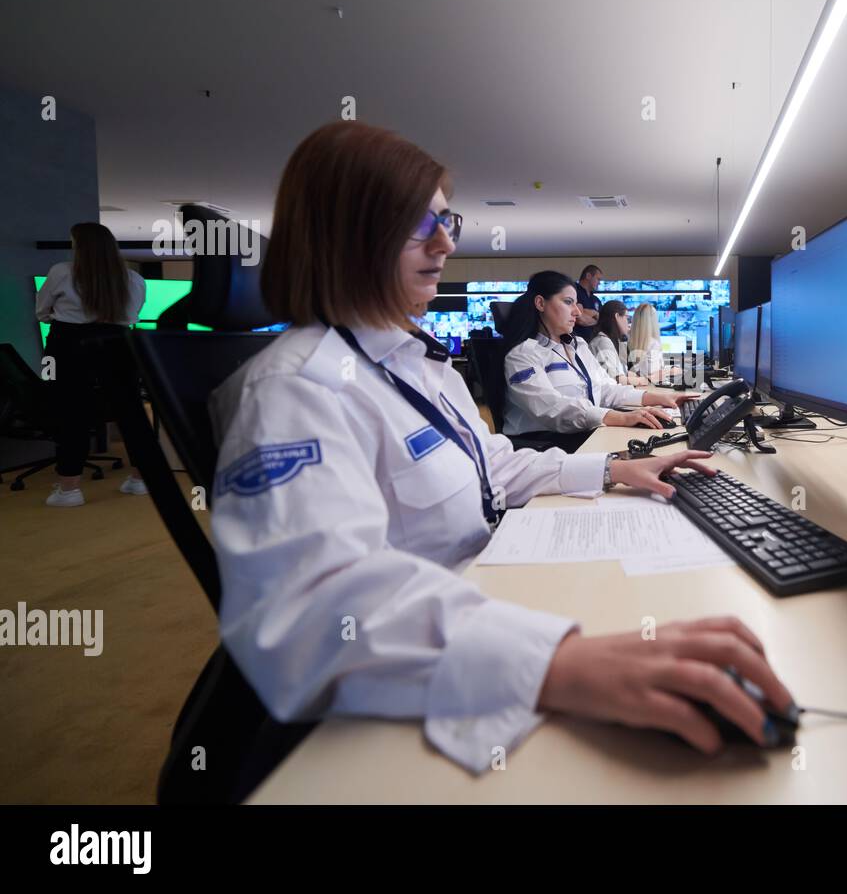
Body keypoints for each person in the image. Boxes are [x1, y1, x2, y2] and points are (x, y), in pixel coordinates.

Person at [209, 121, 794, 773]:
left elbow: (493, 468)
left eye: (444, 221)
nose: (443, 243)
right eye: (415, 224)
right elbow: (312, 616)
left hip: (488, 590)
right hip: (413, 676)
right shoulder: (292, 391)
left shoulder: (416, 367)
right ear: (345, 236)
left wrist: (617, 467)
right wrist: (557, 662)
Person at [501, 272, 691, 452]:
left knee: (662, 442)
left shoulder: (578, 346)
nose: (576, 311)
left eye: (576, 304)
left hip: (585, 432)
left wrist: (655, 399)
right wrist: (619, 417)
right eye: (568, 302)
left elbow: (606, 389)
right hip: (546, 445)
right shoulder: (523, 355)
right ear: (540, 303)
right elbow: (553, 408)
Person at [34, 223, 148, 507]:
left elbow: (41, 312)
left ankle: (69, 489)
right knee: (130, 412)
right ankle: (140, 480)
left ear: (80, 246)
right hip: (120, 344)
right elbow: (133, 314)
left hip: (69, 345)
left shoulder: (62, 271)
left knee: (70, 412)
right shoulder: (133, 278)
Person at [589, 300, 648, 387]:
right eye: (627, 318)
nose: (629, 324)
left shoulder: (615, 341)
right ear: (617, 316)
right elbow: (618, 380)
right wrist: (645, 380)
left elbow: (623, 373)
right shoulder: (603, 342)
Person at [628, 302, 677, 385]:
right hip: (653, 387)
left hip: (637, 387)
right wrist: (672, 370)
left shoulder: (628, 340)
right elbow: (655, 375)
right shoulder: (653, 343)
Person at [572, 264, 602, 342]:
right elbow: (580, 319)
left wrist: (587, 312)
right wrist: (596, 318)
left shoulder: (596, 300)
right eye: (598, 279)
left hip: (593, 343)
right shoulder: (574, 291)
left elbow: (603, 320)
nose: (599, 283)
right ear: (588, 276)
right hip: (577, 342)